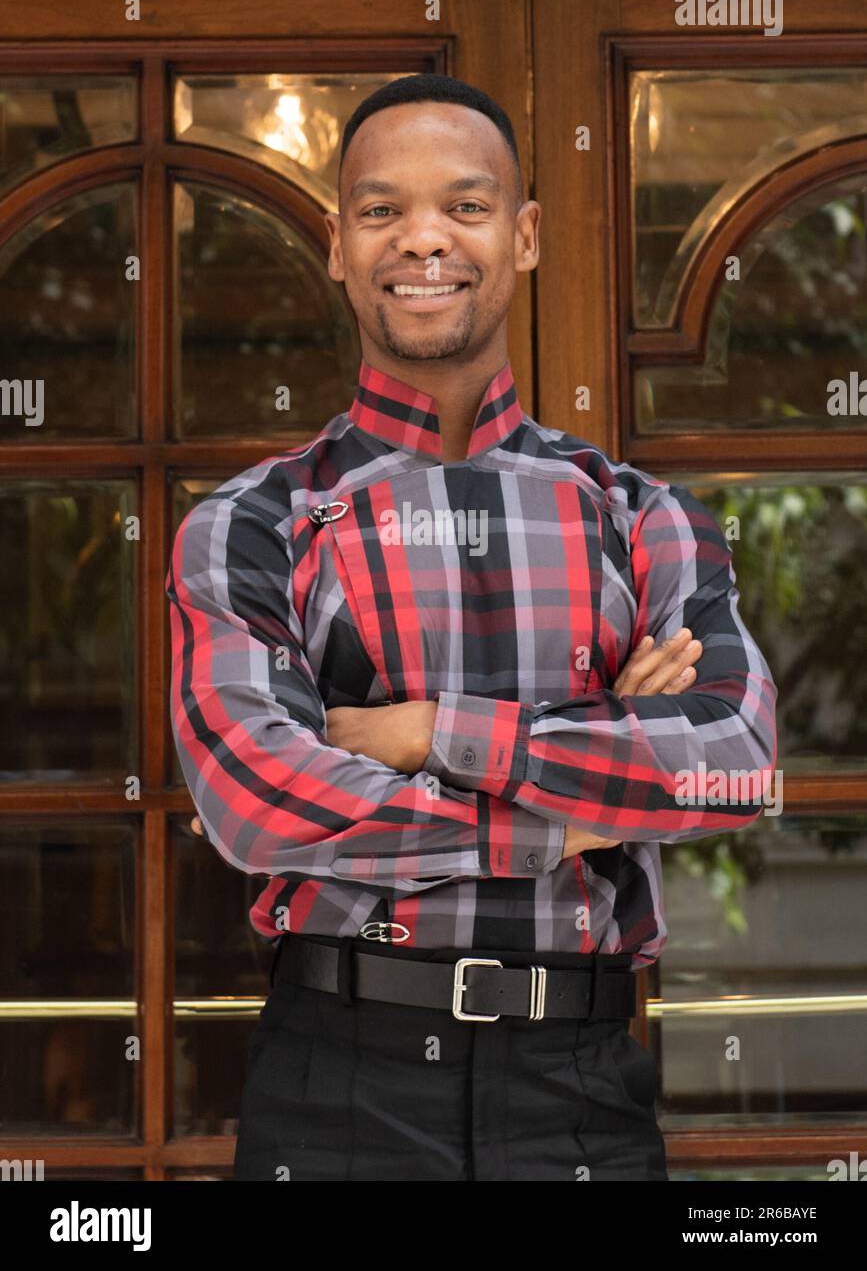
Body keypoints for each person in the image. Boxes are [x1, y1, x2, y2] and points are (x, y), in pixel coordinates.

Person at [166, 73, 778, 1182]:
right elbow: (259, 804)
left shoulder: (642, 516)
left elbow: (732, 767)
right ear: (338, 244)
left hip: (579, 1081)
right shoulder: (252, 523)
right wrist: (581, 794)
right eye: (381, 209)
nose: (424, 240)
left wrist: (419, 730)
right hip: (339, 1081)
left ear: (526, 234)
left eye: (466, 204)